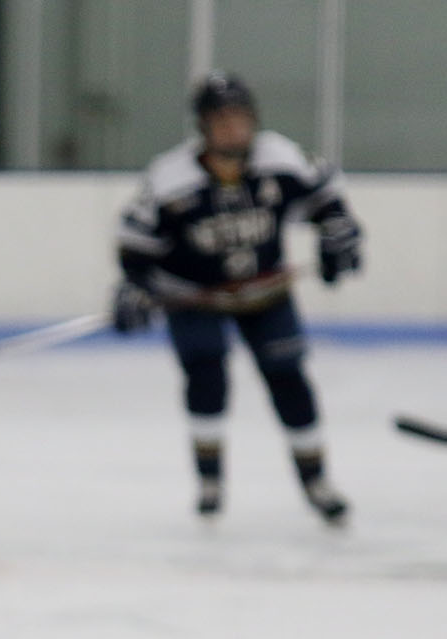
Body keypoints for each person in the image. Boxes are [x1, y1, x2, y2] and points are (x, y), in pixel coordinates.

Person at [112, 71, 363, 524]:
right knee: (207, 377)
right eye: (222, 120)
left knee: (288, 377)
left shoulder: (280, 158)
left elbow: (327, 197)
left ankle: (316, 481)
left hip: (264, 293)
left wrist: (338, 234)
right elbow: (135, 244)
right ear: (203, 126)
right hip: (194, 298)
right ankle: (210, 481)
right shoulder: (171, 178)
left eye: (241, 117)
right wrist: (135, 285)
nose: (233, 128)